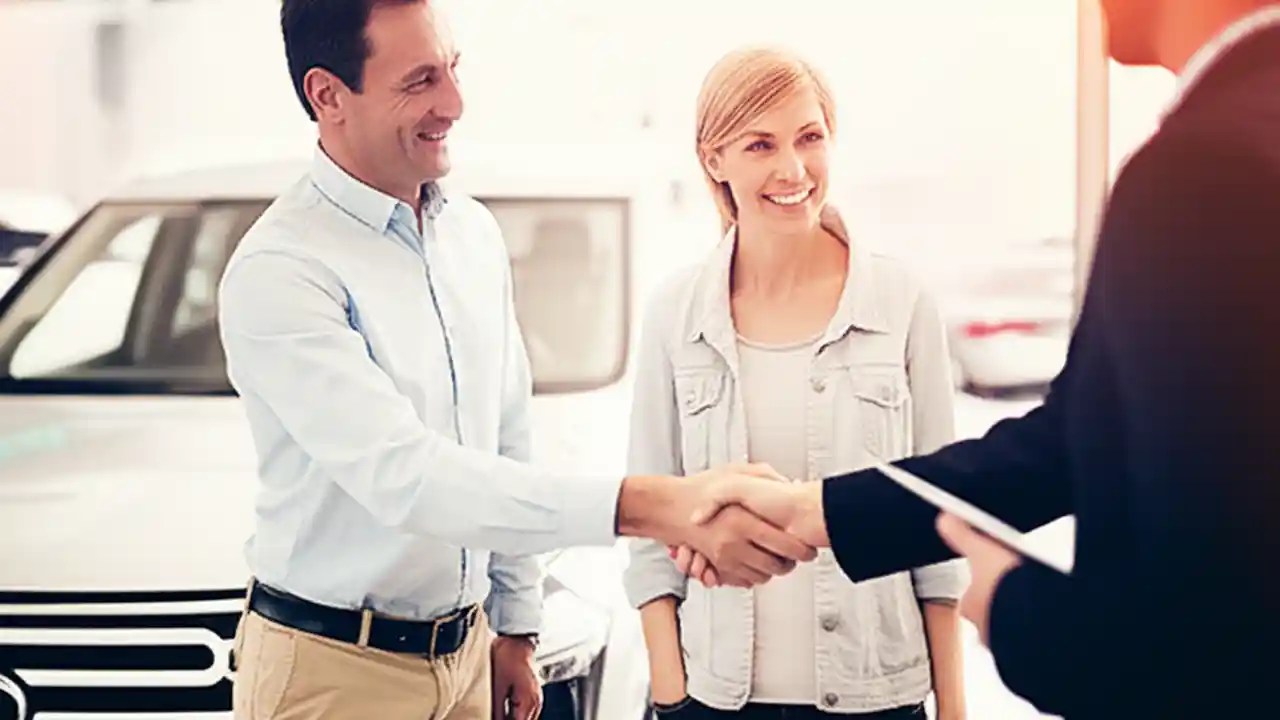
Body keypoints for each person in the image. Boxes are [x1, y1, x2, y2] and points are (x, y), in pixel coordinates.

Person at [677, 1, 1280, 718]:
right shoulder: (1239, 133)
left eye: (809, 137)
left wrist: (1015, 610)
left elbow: (1214, 591)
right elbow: (1075, 441)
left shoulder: (1206, 167)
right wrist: (820, 510)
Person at [218, 2, 814, 718]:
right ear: (328, 95)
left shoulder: (471, 235)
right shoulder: (281, 270)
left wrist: (516, 624)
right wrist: (663, 506)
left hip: (469, 659)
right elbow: (409, 478)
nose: (455, 103)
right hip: (335, 675)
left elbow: (505, 434)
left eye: (453, 69)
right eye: (420, 81)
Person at [624, 48, 968, 720]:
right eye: (760, 145)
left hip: (877, 698)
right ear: (714, 159)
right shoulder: (676, 314)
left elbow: (939, 527)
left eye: (809, 137)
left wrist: (953, 708)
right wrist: (671, 693)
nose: (793, 169)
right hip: (713, 700)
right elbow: (648, 526)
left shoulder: (900, 302)